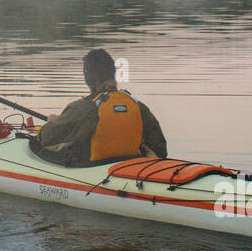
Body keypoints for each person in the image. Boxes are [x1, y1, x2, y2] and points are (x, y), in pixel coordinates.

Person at [30, 49, 166, 167]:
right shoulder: (137, 106)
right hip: (130, 168)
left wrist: (53, 122)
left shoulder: (82, 108)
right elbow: (160, 149)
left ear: (87, 79)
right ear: (113, 73)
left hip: (92, 170)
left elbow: (45, 138)